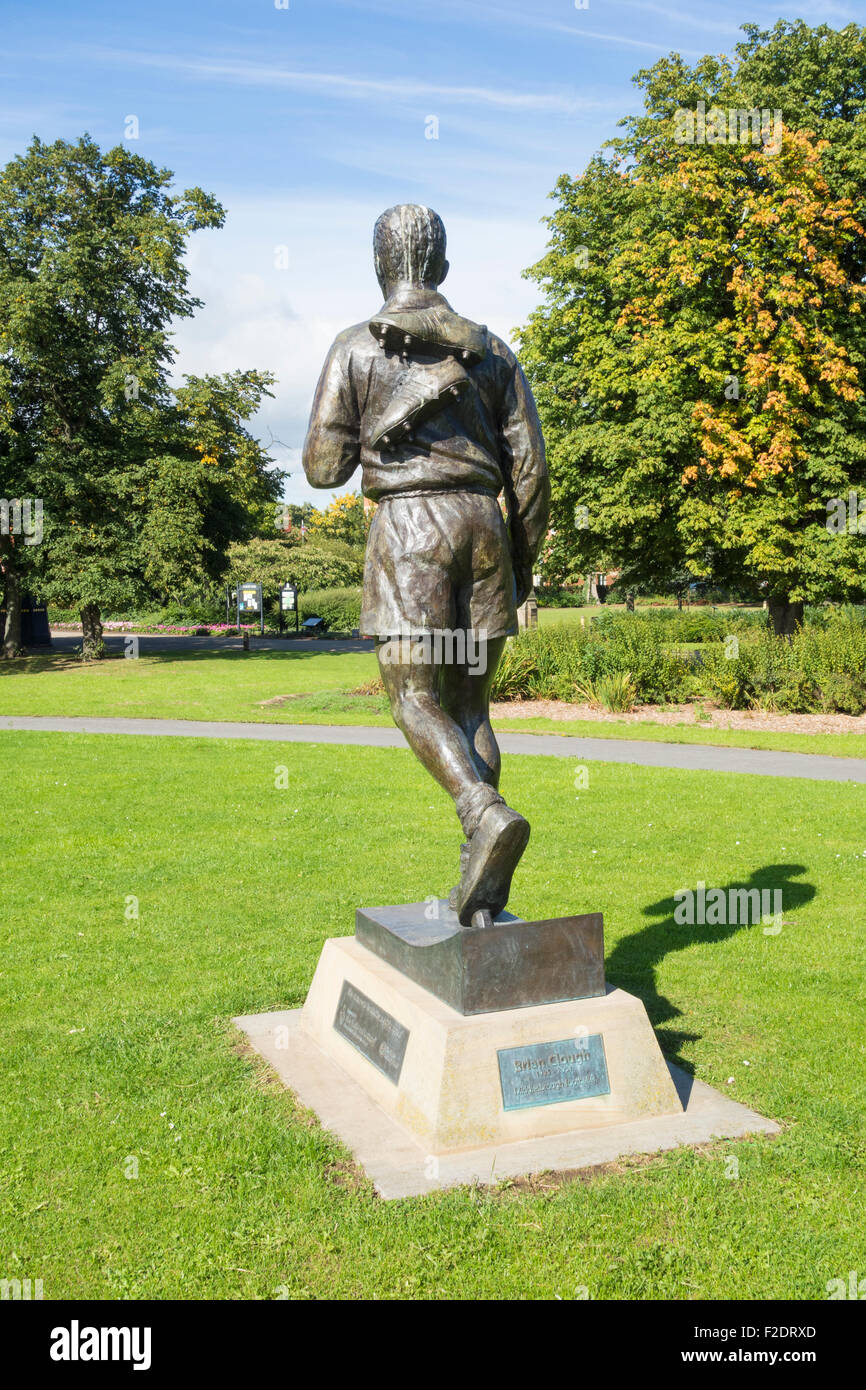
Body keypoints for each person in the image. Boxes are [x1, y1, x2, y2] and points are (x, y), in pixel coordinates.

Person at [302, 204, 549, 926]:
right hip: (484, 527)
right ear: (440, 266)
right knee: (472, 706)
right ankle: (485, 901)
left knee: (413, 699)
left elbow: (321, 468)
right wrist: (521, 562)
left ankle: (481, 811)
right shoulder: (494, 351)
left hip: (410, 529)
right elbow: (530, 473)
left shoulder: (355, 348)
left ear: (381, 266)